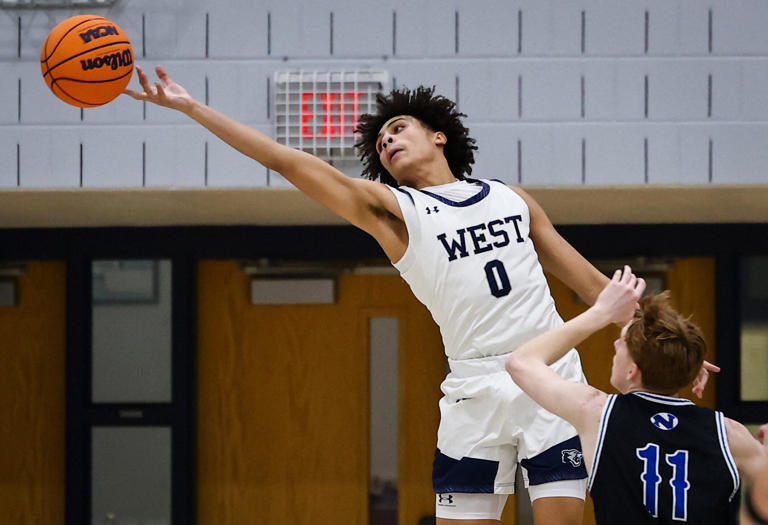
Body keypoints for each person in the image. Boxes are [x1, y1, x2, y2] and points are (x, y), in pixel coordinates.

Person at [125, 68, 713, 524]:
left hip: (551, 374)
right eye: (379, 142)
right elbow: (287, 161)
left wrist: (669, 346)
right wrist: (193, 108)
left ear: (438, 136)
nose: (386, 141)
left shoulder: (510, 197)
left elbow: (591, 286)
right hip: (473, 388)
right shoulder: (396, 214)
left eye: (397, 129)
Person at [506, 266, 768, 524]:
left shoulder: (596, 413)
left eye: (621, 343)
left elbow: (521, 362)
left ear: (633, 370)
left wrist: (600, 313)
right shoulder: (729, 433)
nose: (614, 345)